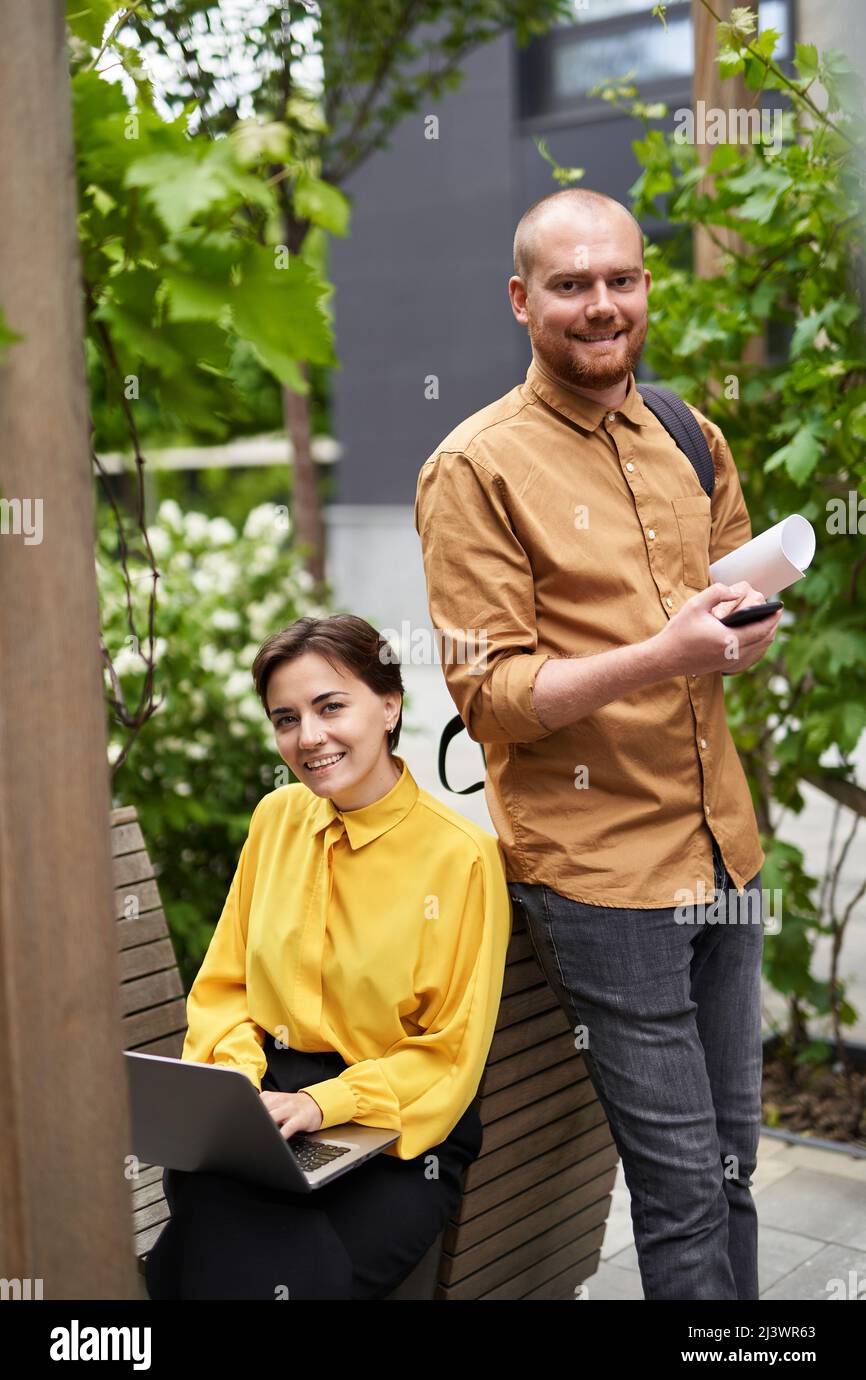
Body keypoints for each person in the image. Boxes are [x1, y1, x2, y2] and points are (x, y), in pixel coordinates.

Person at [414, 187, 783, 1301]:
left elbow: (724, 604)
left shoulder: (687, 432)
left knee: (733, 1168)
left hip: (724, 850)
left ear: (645, 287)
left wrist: (741, 633)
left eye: (619, 279)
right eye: (570, 285)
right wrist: (664, 655)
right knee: (681, 1194)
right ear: (521, 300)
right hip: (604, 879)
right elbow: (491, 694)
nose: (600, 304)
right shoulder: (473, 468)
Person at [144, 613, 512, 1300]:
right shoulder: (275, 819)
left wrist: (324, 1104)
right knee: (260, 1253)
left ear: (390, 705)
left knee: (251, 1266)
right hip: (263, 1105)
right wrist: (239, 1090)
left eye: (330, 706)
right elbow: (225, 986)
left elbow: (449, 1053)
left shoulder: (462, 858)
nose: (308, 737)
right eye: (286, 719)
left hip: (398, 1132)